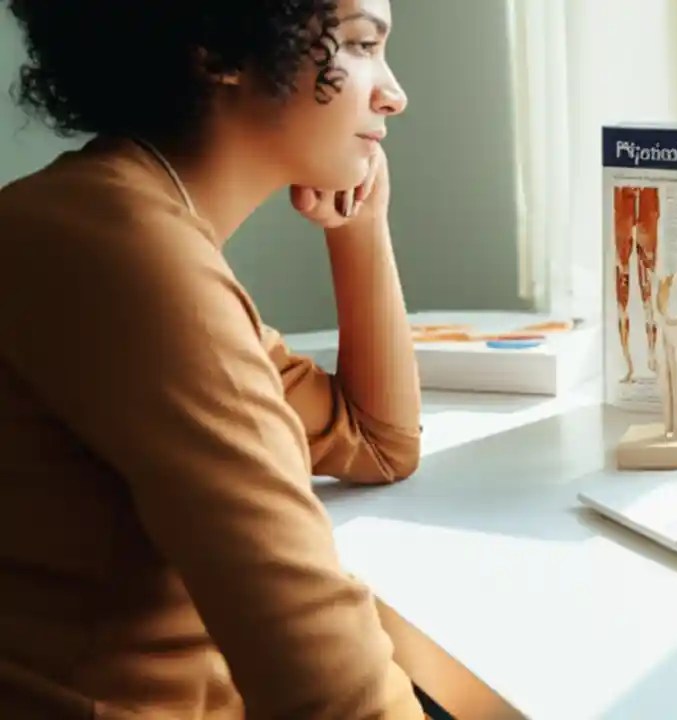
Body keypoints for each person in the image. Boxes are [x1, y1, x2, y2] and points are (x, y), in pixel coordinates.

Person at [0, 1, 444, 717]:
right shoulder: (135, 264)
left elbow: (376, 441)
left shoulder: (100, 218)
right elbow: (336, 696)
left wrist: (359, 226)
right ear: (221, 45)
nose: (393, 93)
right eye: (360, 44)